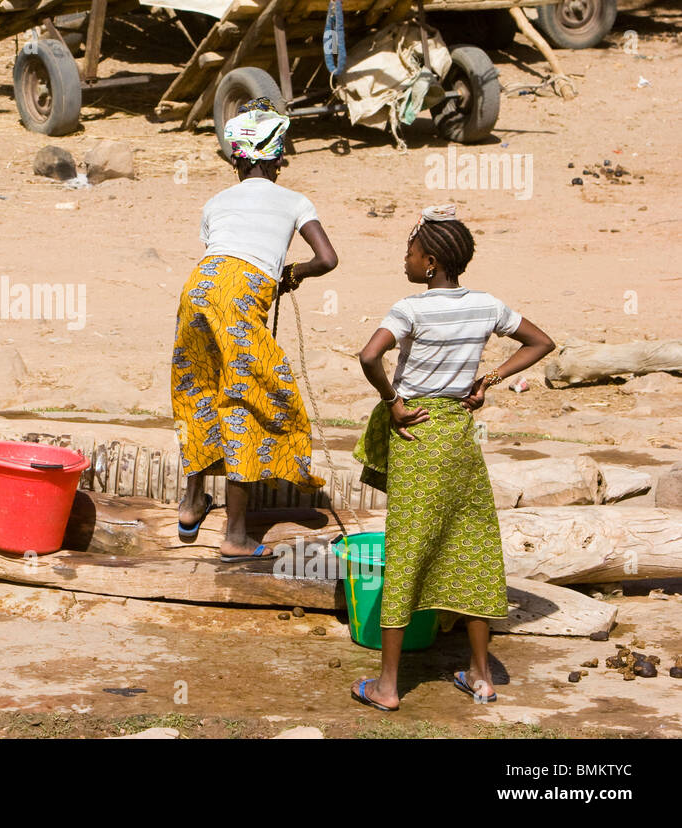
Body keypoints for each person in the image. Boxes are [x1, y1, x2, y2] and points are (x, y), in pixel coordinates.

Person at [350, 206, 555, 711]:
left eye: (411, 249)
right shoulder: (486, 305)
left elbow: (369, 356)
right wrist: (490, 378)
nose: (406, 255)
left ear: (430, 262)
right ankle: (482, 676)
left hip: (417, 433)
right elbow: (541, 341)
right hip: (459, 439)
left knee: (407, 552)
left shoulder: (410, 310)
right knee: (472, 547)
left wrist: (391, 400)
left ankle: (388, 687)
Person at [171, 99, 338, 561]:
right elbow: (327, 258)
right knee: (248, 399)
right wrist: (293, 274)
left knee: (199, 390)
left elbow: (221, 254)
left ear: (237, 158)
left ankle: (190, 505)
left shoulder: (216, 202)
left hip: (197, 288)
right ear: (276, 157)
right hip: (239, 296)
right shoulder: (294, 201)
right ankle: (237, 535)